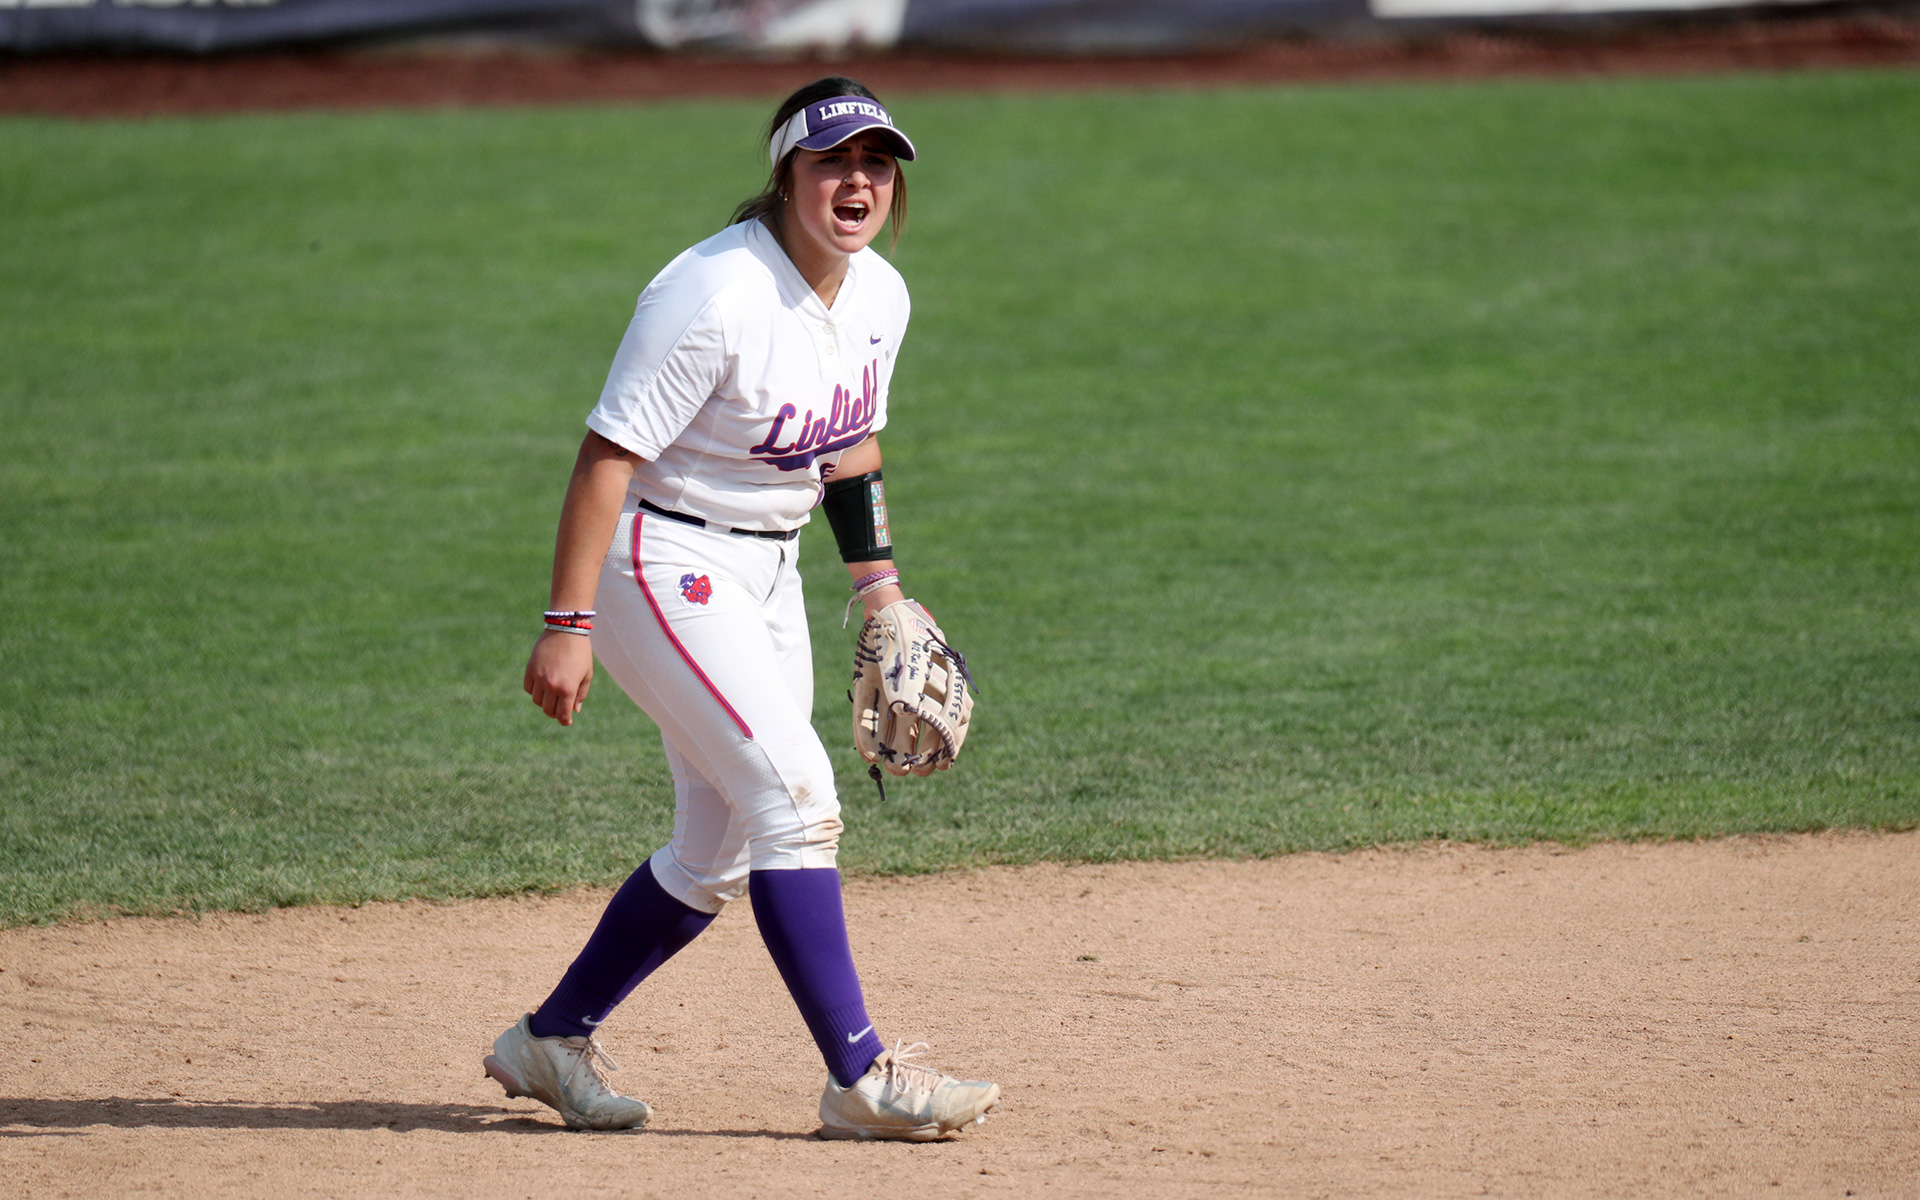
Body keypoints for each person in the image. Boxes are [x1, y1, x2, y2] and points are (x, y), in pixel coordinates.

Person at [481, 77, 1000, 1142]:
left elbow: (850, 444)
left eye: (876, 164)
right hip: (661, 562)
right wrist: (567, 624)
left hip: (767, 574)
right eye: (831, 163)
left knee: (718, 846)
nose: (856, 182)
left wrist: (881, 585)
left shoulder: (879, 296)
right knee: (798, 801)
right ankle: (861, 1080)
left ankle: (551, 1036)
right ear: (786, 176)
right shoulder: (711, 292)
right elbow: (606, 454)